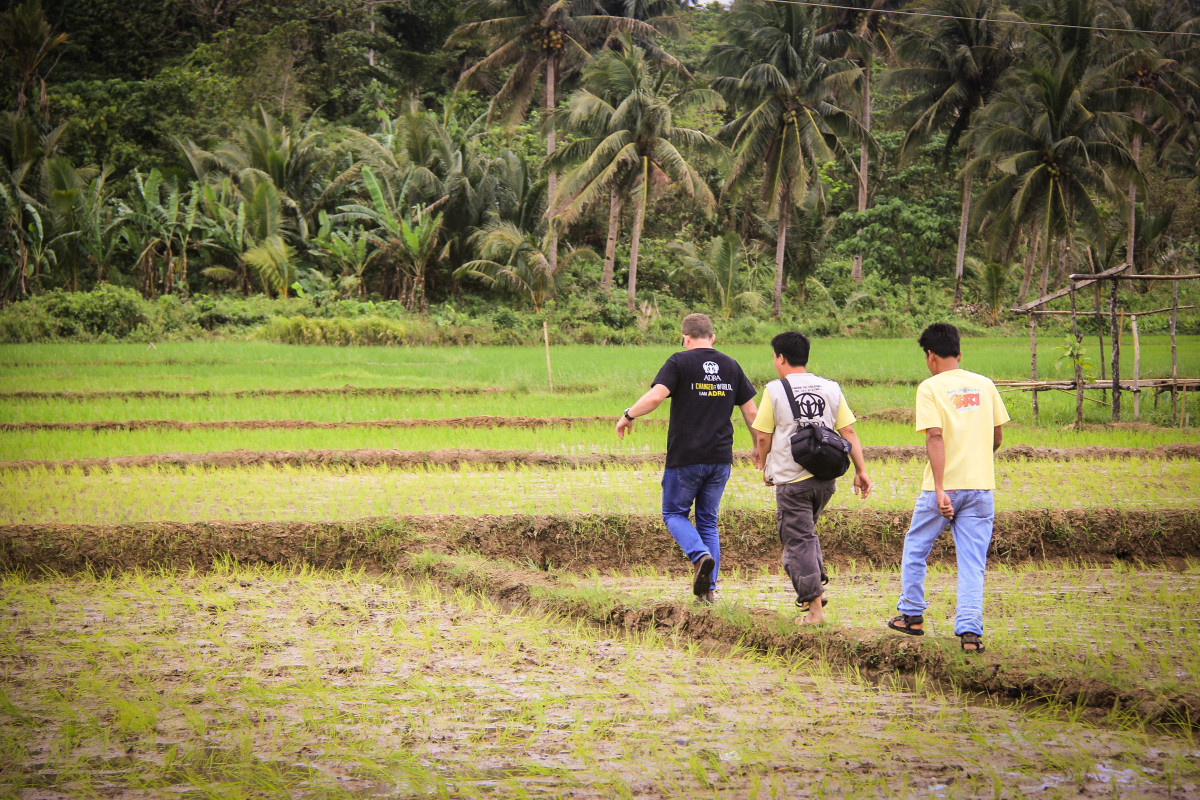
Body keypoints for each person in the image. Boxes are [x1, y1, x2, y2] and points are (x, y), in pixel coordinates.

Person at [616, 313, 758, 604]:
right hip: (720, 458)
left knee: (673, 514)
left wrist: (628, 414)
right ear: (713, 338)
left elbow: (656, 397)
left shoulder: (679, 361)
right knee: (708, 522)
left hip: (686, 458)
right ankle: (709, 592)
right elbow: (752, 413)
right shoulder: (731, 365)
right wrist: (759, 448)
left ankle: (699, 555)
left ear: (686, 338)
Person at [887, 323, 1010, 653]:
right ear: (959, 351)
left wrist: (941, 487)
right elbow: (997, 438)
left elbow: (935, 436)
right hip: (981, 488)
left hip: (942, 489)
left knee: (916, 547)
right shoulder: (985, 385)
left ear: (930, 355)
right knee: (972, 562)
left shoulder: (930, 388)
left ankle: (911, 616)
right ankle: (970, 633)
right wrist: (975, 465)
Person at [750, 332, 872, 625]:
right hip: (825, 479)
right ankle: (814, 592)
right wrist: (861, 470)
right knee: (807, 534)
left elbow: (764, 436)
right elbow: (849, 433)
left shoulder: (775, 389)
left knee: (797, 540)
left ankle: (814, 608)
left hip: (793, 482)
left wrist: (763, 464)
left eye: (774, 357)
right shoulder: (831, 388)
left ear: (780, 357)